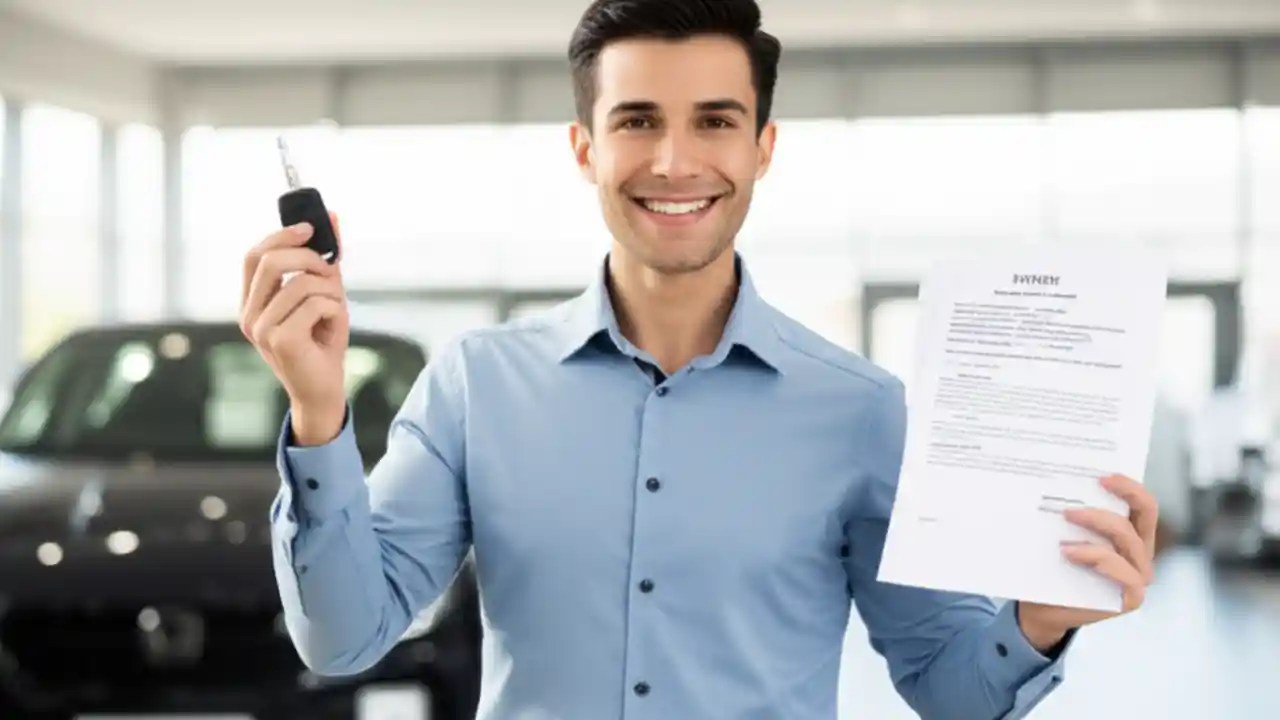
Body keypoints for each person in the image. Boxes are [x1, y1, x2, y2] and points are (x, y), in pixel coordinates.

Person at [239, 1, 1160, 718]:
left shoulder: (863, 411)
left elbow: (947, 687)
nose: (675, 162)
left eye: (715, 122)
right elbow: (344, 639)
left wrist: (1041, 621)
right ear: (584, 147)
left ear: (762, 148)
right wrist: (319, 416)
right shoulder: (477, 385)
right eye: (638, 120)